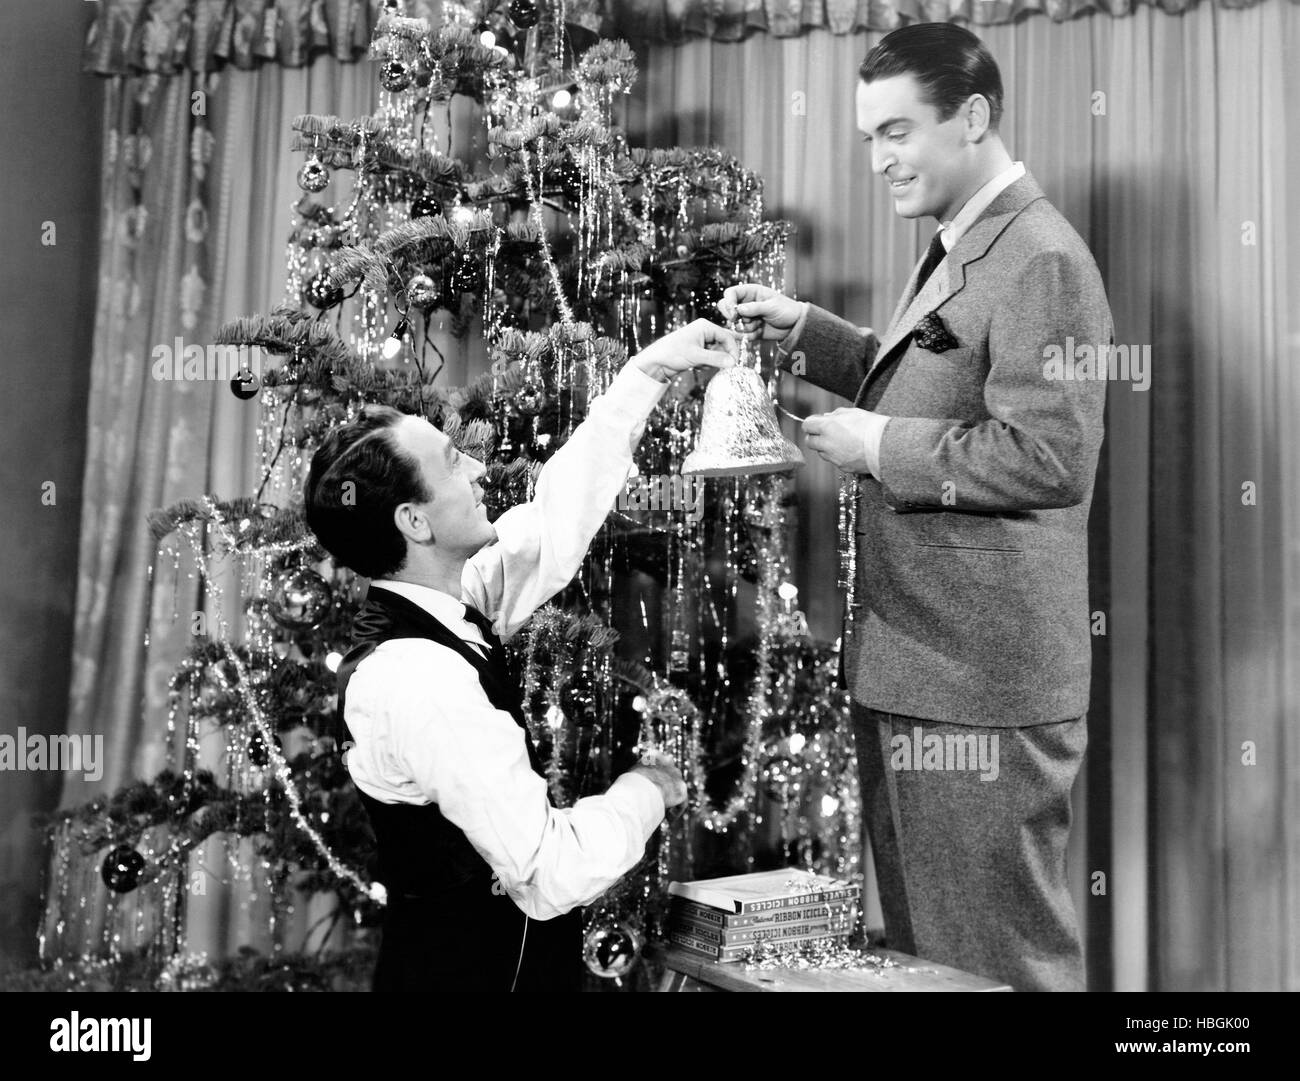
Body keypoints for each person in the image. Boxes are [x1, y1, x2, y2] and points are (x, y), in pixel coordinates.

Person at [720, 23, 1111, 992]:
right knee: (931, 967)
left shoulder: (1041, 258)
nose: (879, 160)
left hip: (978, 689)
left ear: (972, 117)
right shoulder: (965, 238)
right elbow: (943, 377)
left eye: (896, 132)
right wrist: (815, 336)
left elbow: (1047, 456)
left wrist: (873, 446)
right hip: (914, 669)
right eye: (866, 138)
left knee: (991, 965)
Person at [304, 319, 737, 991]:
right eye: (452, 462)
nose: (476, 469)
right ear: (414, 523)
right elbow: (547, 871)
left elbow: (554, 524)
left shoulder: (447, 598)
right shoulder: (417, 679)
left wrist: (648, 371)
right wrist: (646, 791)